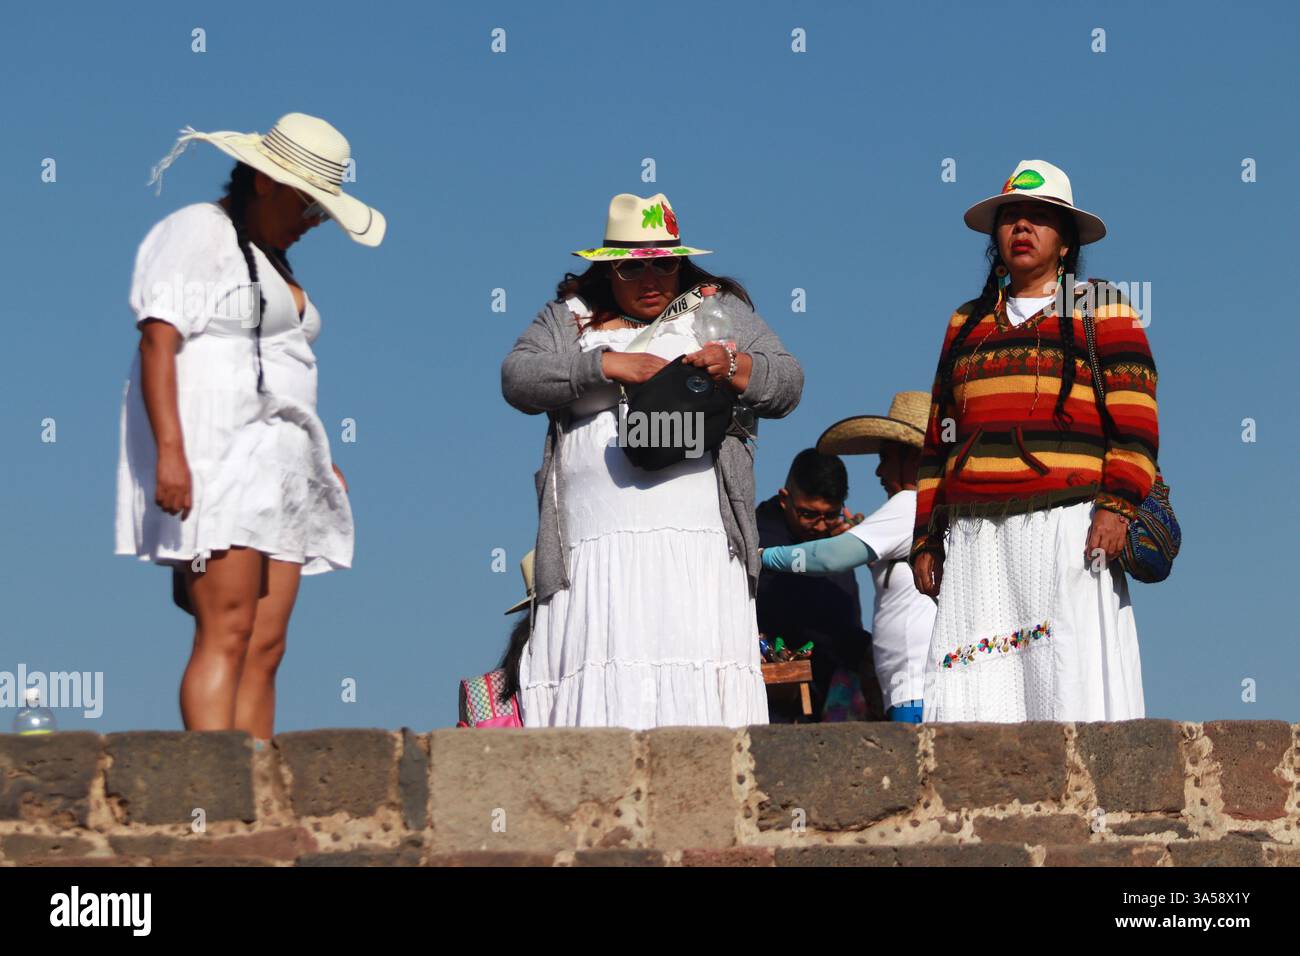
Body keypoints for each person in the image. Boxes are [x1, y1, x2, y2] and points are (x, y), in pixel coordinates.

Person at [115, 114, 385, 737]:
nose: (315, 219)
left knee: (267, 644)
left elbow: (281, 369)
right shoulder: (200, 231)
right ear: (265, 182)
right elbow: (159, 339)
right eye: (309, 202)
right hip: (219, 457)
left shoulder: (272, 258)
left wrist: (319, 458)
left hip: (281, 471)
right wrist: (171, 454)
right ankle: (213, 795)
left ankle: (254, 790)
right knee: (227, 627)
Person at [501, 192, 803, 728]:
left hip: (699, 545)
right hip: (591, 555)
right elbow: (518, 378)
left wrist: (731, 363)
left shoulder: (718, 312)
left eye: (664, 264)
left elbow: (788, 383)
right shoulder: (570, 319)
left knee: (694, 676)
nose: (652, 281)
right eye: (632, 268)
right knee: (601, 680)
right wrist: (608, 366)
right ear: (605, 269)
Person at [908, 160, 1159, 722]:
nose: (1023, 229)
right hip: (975, 537)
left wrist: (1117, 507)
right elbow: (938, 436)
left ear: (1065, 242)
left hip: (1066, 525)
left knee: (1065, 675)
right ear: (996, 237)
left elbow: (1136, 419)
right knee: (980, 685)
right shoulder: (966, 323)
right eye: (1011, 218)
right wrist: (927, 536)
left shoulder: (1100, 306)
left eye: (1039, 219)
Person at [761, 392, 938, 722]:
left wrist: (760, 556)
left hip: (914, 688)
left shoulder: (909, 505)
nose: (878, 471)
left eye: (885, 457)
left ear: (913, 458)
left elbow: (829, 559)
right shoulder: (937, 511)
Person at [754, 449, 879, 721]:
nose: (820, 526)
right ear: (785, 499)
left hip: (832, 693)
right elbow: (803, 613)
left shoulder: (840, 540)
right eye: (809, 514)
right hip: (774, 700)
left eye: (830, 515)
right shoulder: (759, 536)